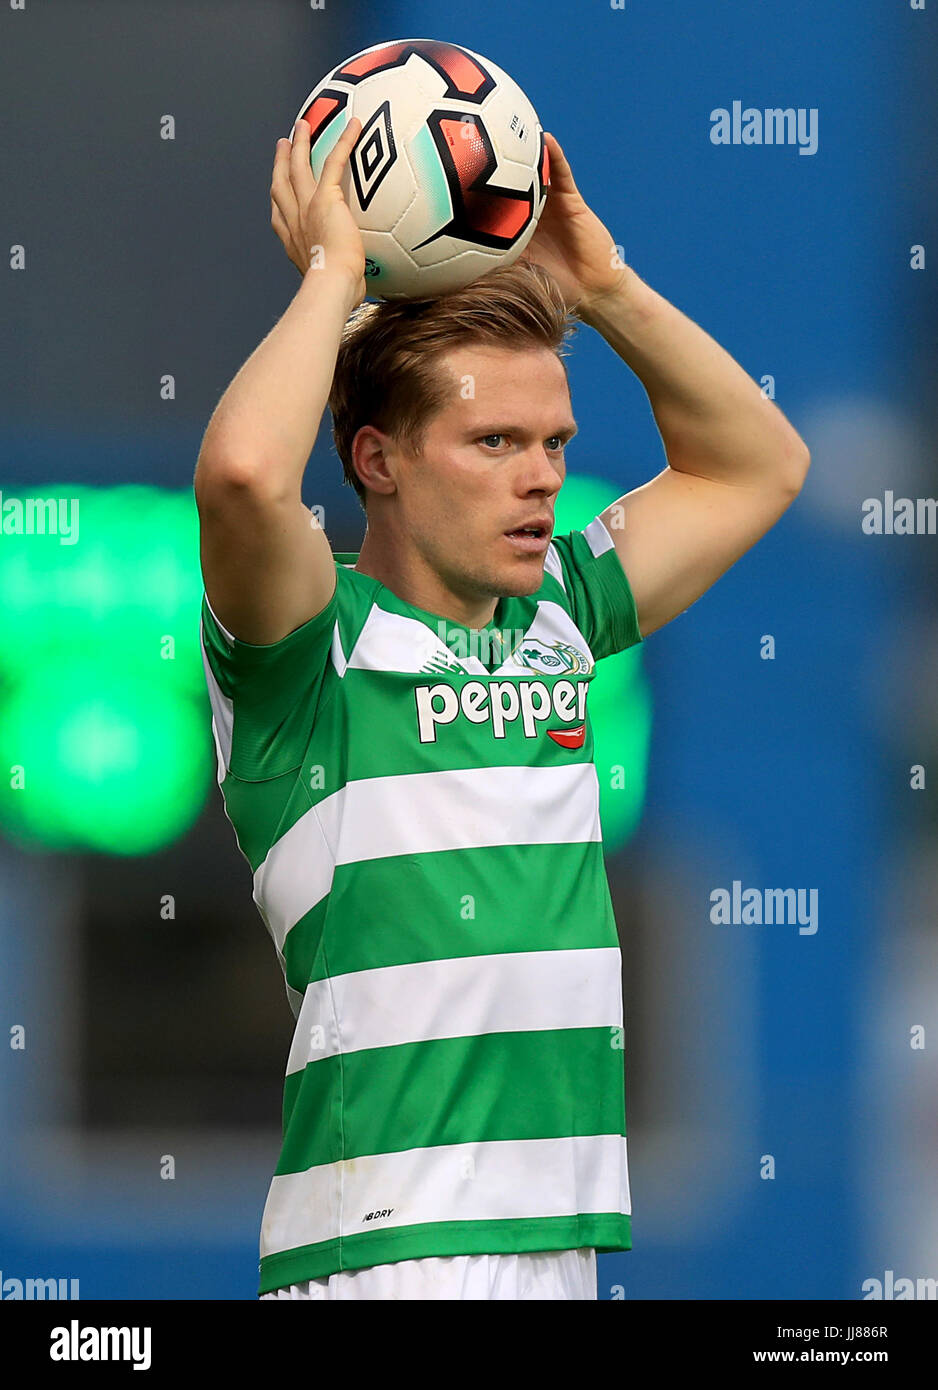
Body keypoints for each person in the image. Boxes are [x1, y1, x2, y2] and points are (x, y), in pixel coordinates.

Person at [194, 115, 809, 1301]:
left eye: (553, 442)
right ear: (376, 459)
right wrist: (334, 274)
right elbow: (243, 476)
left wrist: (605, 288)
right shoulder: (311, 653)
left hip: (558, 1240)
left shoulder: (563, 611)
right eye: (493, 440)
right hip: (385, 1250)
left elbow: (756, 465)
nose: (541, 476)